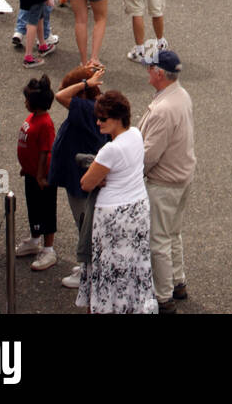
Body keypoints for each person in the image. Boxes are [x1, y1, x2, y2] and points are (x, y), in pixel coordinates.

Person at [77, 90, 154, 314]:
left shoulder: (110, 150)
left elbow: (86, 183)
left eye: (103, 118)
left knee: (109, 271)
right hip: (138, 210)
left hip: (113, 218)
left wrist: (99, 177)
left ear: (118, 118)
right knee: (134, 268)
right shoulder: (136, 134)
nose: (98, 122)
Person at [139, 48, 196, 313]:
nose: (148, 71)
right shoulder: (181, 95)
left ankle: (164, 297)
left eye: (150, 68)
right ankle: (178, 282)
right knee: (173, 233)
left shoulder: (162, 109)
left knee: (158, 240)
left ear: (159, 73)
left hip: (163, 183)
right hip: (182, 176)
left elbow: (149, 155)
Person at [49, 64, 109, 289]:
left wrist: (84, 82)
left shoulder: (86, 108)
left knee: (85, 226)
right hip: (80, 176)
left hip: (80, 180)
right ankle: (88, 266)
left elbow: (60, 95)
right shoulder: (95, 107)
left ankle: (89, 271)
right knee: (86, 224)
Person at [15, 74, 58, 271]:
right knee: (33, 207)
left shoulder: (45, 123)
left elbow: (45, 151)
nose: (24, 102)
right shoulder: (34, 117)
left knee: (46, 210)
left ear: (37, 104)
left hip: (43, 177)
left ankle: (49, 249)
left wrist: (40, 175)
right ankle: (34, 238)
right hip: (31, 173)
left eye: (27, 100)